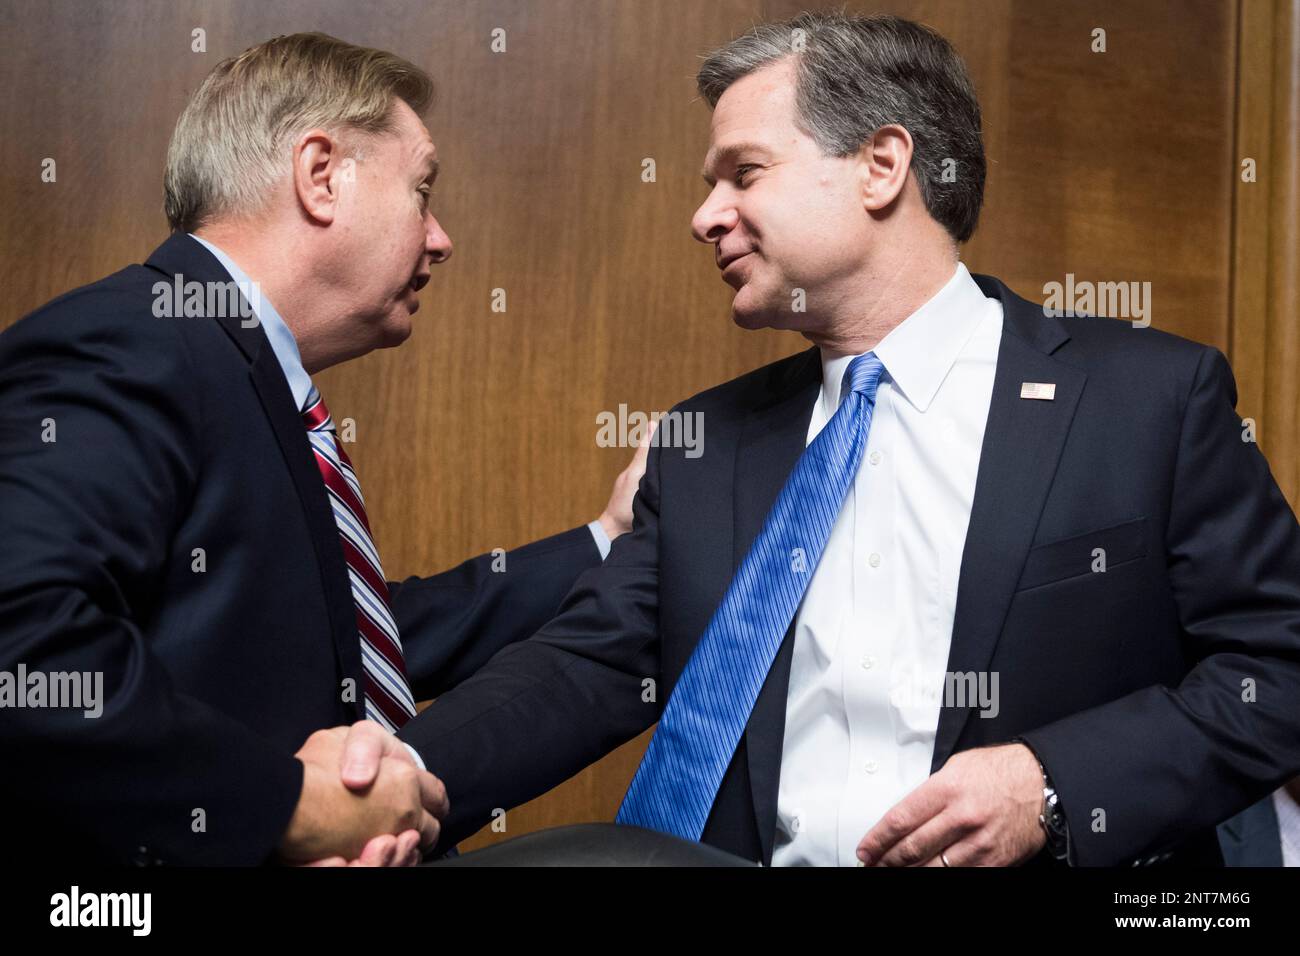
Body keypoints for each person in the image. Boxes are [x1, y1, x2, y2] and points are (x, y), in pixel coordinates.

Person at [388, 12, 1300, 867]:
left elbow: (1278, 668)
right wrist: (375, 790)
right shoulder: (708, 441)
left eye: (743, 173)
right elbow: (582, 668)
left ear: (882, 165)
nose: (703, 215)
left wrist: (1055, 785)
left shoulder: (1147, 399)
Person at [0, 33, 644, 866]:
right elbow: (24, 647)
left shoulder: (237, 366)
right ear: (320, 174)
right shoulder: (129, 341)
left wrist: (601, 541)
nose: (441, 238)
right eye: (422, 190)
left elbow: (341, 636)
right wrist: (286, 807)